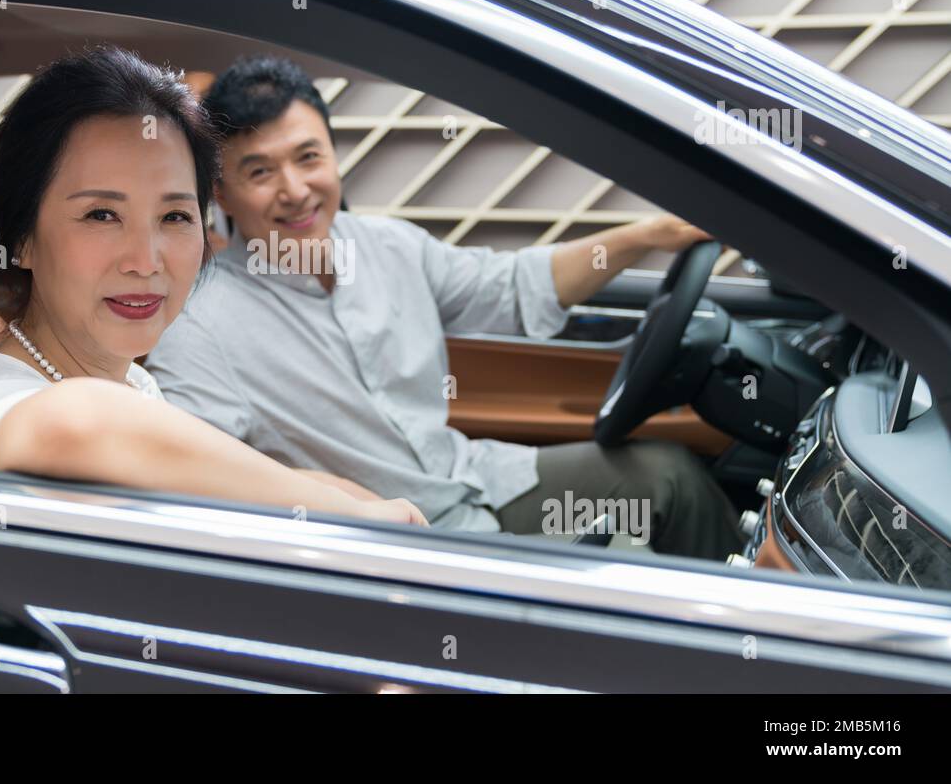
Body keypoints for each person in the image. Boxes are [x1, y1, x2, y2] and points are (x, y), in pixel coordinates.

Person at [143, 55, 743, 560]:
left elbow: (512, 288)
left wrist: (647, 237)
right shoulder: (200, 325)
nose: (295, 189)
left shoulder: (390, 245)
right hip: (402, 547)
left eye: (308, 158)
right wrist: (333, 500)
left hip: (482, 481)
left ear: (333, 154)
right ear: (219, 191)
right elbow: (197, 473)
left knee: (670, 480)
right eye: (259, 171)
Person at [0, 46, 426, 527]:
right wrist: (347, 513)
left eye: (174, 216)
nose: (146, 261)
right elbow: (81, 422)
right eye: (102, 214)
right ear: (23, 237)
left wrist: (346, 496)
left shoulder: (129, 383)